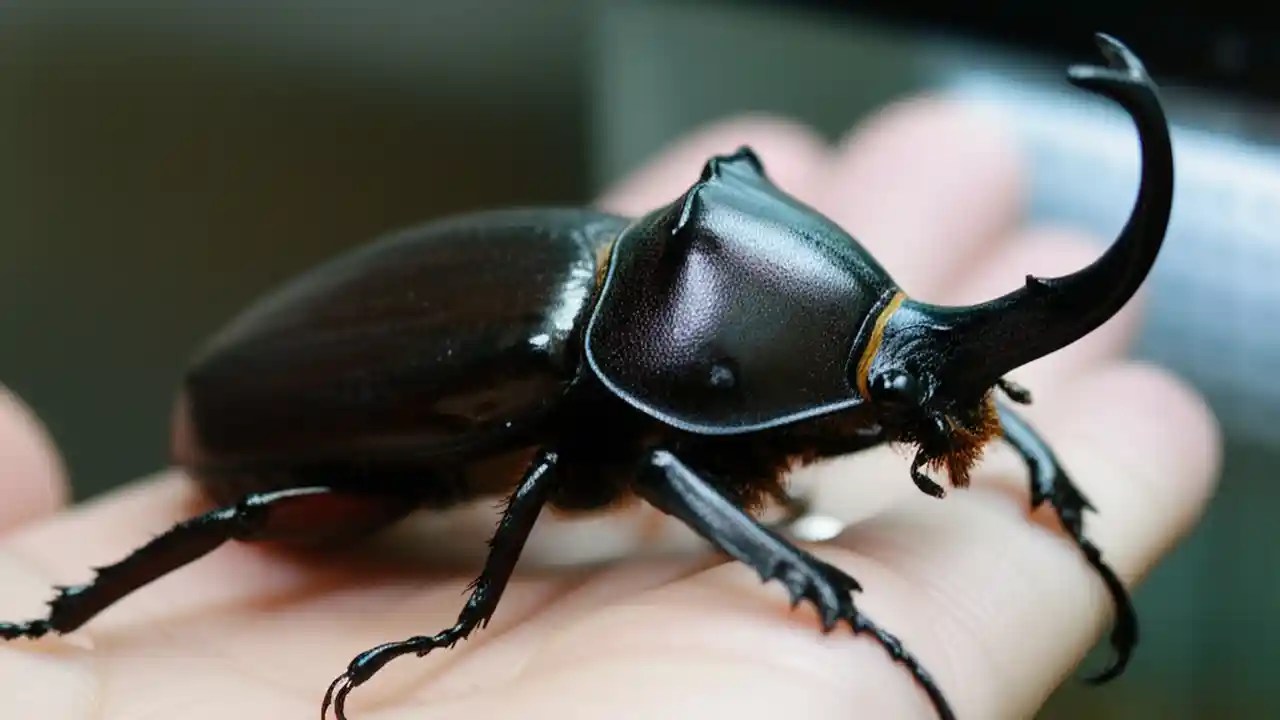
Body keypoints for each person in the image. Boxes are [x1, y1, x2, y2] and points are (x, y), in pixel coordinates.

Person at [0, 97, 1220, 719]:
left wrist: (1009, 448)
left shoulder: (673, 324)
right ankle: (52, 622)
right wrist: (471, 620)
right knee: (245, 517)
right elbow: (596, 472)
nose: (934, 398)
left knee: (910, 378)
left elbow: (927, 386)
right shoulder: (593, 364)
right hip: (271, 427)